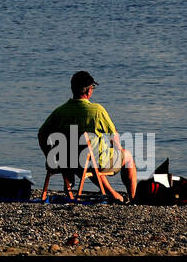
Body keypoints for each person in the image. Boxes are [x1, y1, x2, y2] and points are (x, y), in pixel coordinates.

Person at [37, 70, 137, 202]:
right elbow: (113, 135)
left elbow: (42, 134)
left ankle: (113, 194)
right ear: (89, 91)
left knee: (89, 156)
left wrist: (50, 156)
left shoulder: (59, 111)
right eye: (92, 87)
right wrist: (118, 150)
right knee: (126, 156)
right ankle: (134, 198)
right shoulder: (96, 111)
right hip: (90, 162)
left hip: (66, 162)